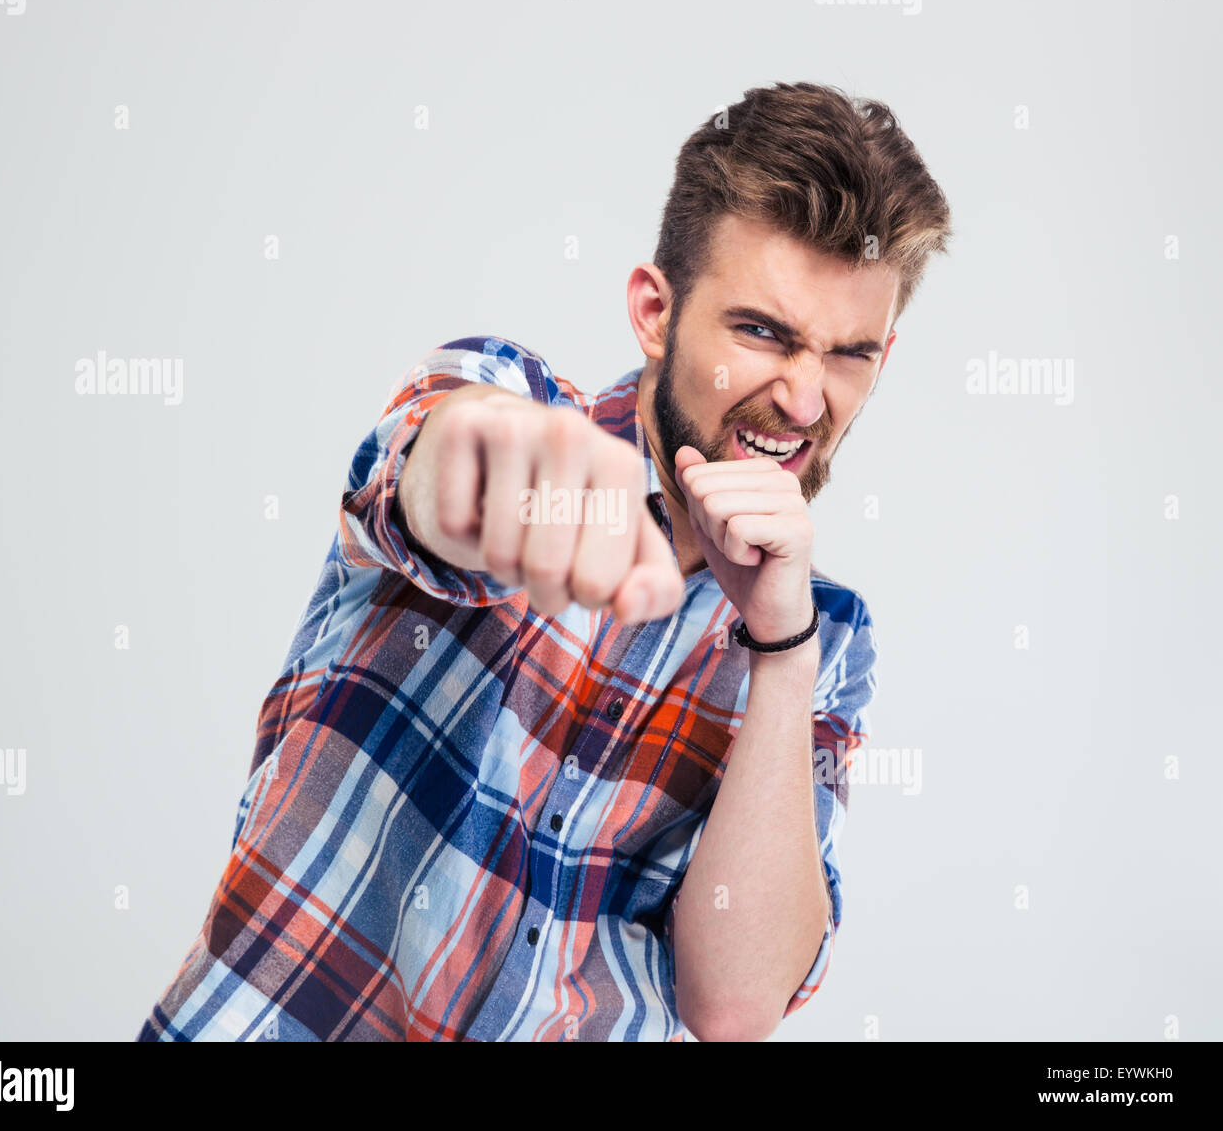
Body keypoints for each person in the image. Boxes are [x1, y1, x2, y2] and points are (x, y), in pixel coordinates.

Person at [137, 80, 952, 1042]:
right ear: (655, 311)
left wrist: (781, 648)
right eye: (762, 333)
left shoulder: (827, 638)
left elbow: (734, 1007)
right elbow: (437, 467)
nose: (807, 400)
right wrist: (502, 478)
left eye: (849, 353)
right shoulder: (507, 399)